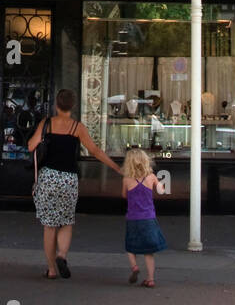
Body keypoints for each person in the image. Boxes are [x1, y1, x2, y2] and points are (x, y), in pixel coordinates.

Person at [27, 89, 123, 279]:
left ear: (56, 104)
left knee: (49, 226)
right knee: (66, 222)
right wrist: (117, 168)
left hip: (48, 178)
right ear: (73, 106)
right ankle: (62, 255)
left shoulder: (47, 123)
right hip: (68, 179)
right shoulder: (77, 127)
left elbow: (31, 146)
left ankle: (52, 269)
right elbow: (95, 151)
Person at [122, 148, 167, 287]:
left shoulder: (127, 179)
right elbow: (161, 191)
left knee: (130, 245)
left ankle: (134, 266)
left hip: (133, 218)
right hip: (148, 217)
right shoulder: (151, 177)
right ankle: (151, 279)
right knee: (149, 252)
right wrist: (161, 185)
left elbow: (124, 195)